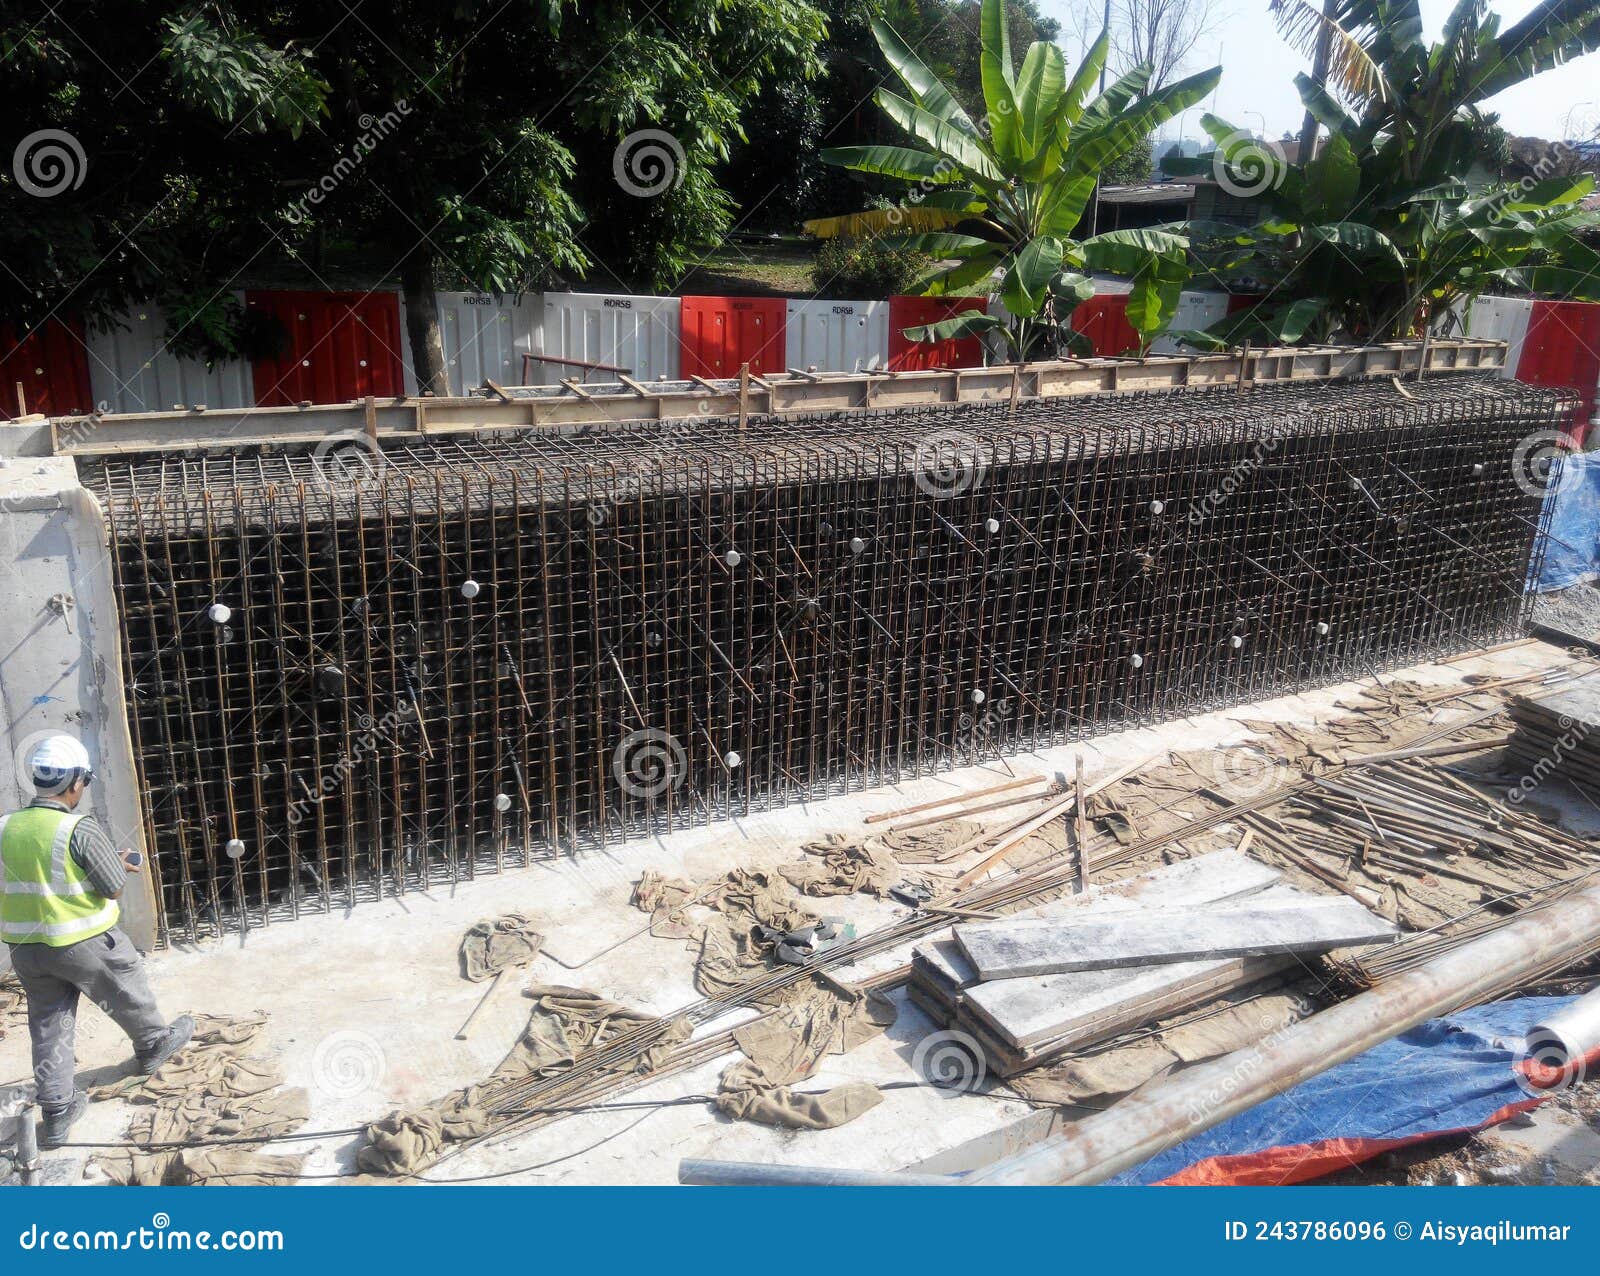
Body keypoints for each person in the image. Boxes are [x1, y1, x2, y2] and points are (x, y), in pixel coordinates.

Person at [2, 735, 192, 1148]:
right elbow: (111, 887)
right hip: (82, 941)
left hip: (26, 950)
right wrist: (116, 865)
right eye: (84, 782)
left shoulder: (5, 826)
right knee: (123, 986)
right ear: (74, 782)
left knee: (49, 1026)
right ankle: (153, 1043)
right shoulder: (78, 827)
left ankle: (56, 1112)